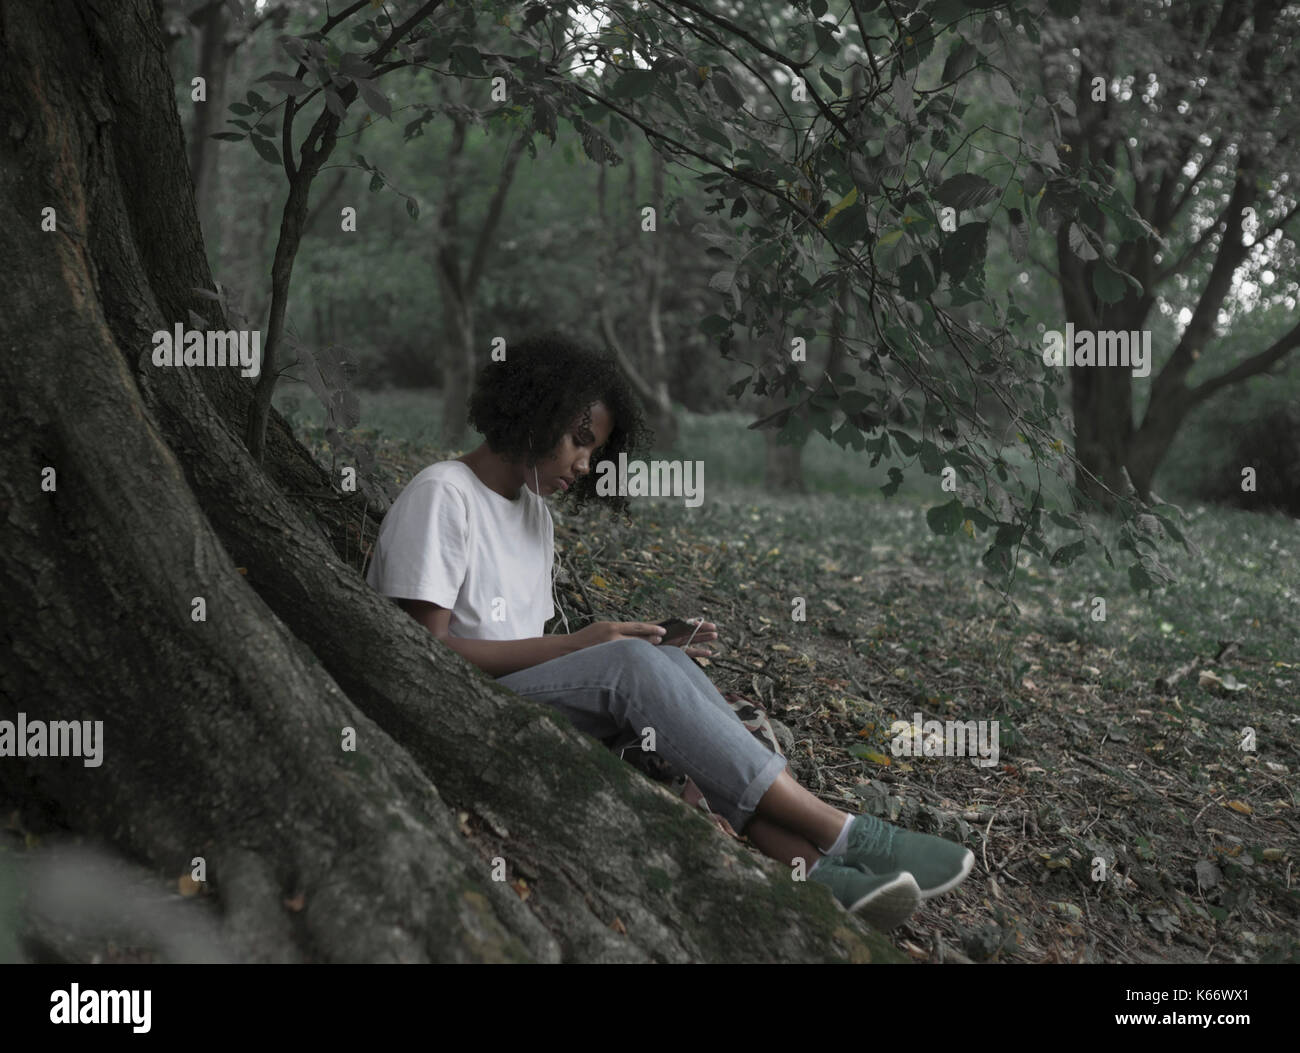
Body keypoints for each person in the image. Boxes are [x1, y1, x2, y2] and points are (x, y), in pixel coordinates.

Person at [366, 332, 973, 930]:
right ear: (533, 411)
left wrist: (653, 657)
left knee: (678, 688)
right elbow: (422, 653)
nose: (585, 465)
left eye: (595, 451)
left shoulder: (533, 515)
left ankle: (814, 872)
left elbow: (533, 650)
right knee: (631, 665)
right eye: (580, 441)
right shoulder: (443, 495)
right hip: (456, 710)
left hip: (522, 703)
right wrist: (588, 647)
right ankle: (850, 834)